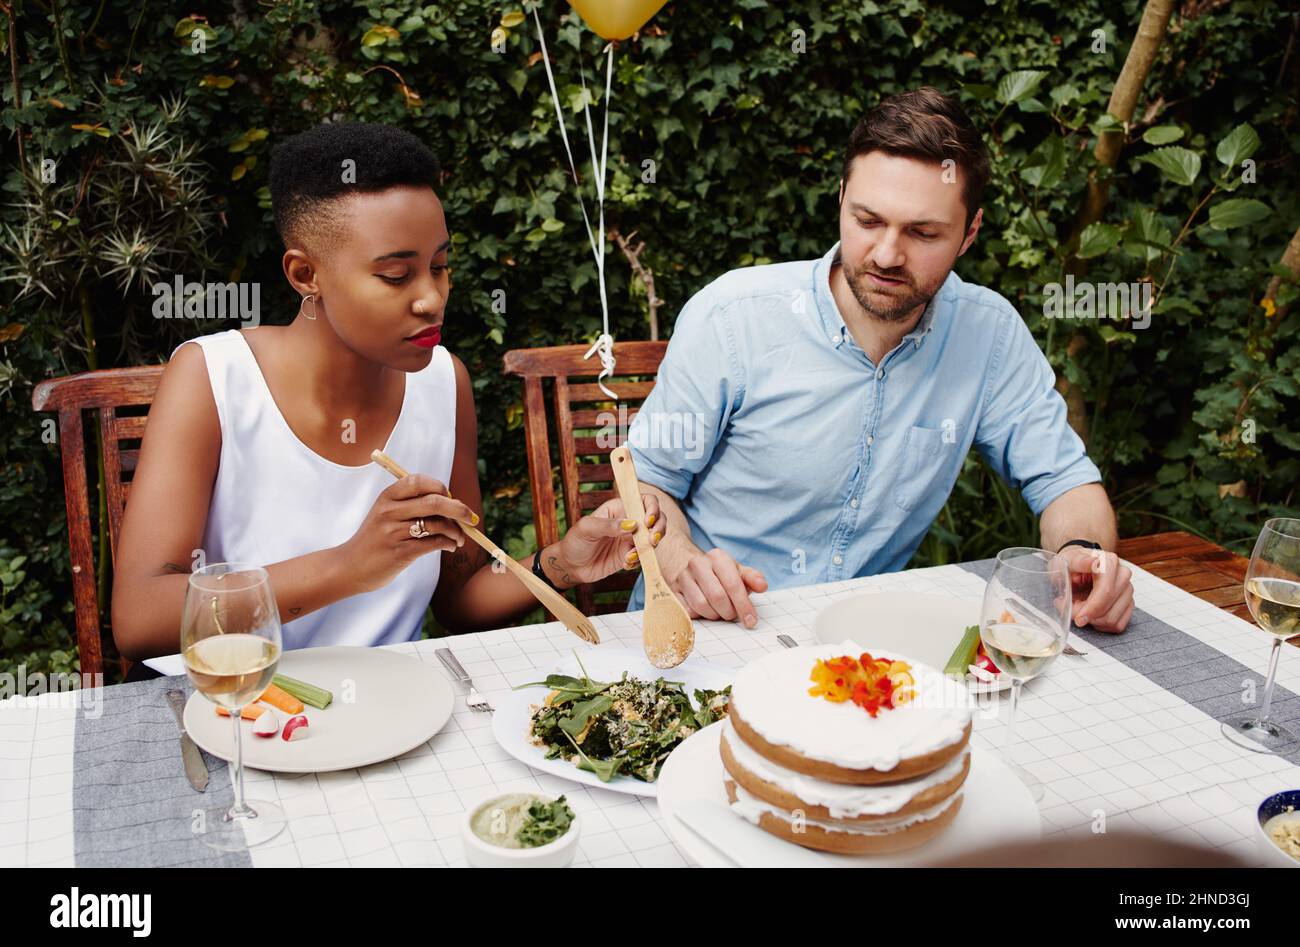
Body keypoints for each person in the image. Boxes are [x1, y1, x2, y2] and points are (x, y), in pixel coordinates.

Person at [112, 121, 665, 663]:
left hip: (395, 720)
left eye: (440, 266)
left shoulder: (444, 384)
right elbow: (140, 619)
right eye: (397, 276)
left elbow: (460, 597)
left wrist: (560, 564)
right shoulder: (214, 376)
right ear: (306, 274)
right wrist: (350, 565)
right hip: (238, 716)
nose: (431, 298)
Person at [626, 87, 1134, 633]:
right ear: (841, 197)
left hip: (862, 642)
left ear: (970, 233)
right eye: (868, 220)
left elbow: (1064, 479)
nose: (888, 255)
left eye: (923, 232)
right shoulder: (731, 317)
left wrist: (1084, 554)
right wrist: (680, 561)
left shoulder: (989, 334)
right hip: (703, 631)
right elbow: (645, 482)